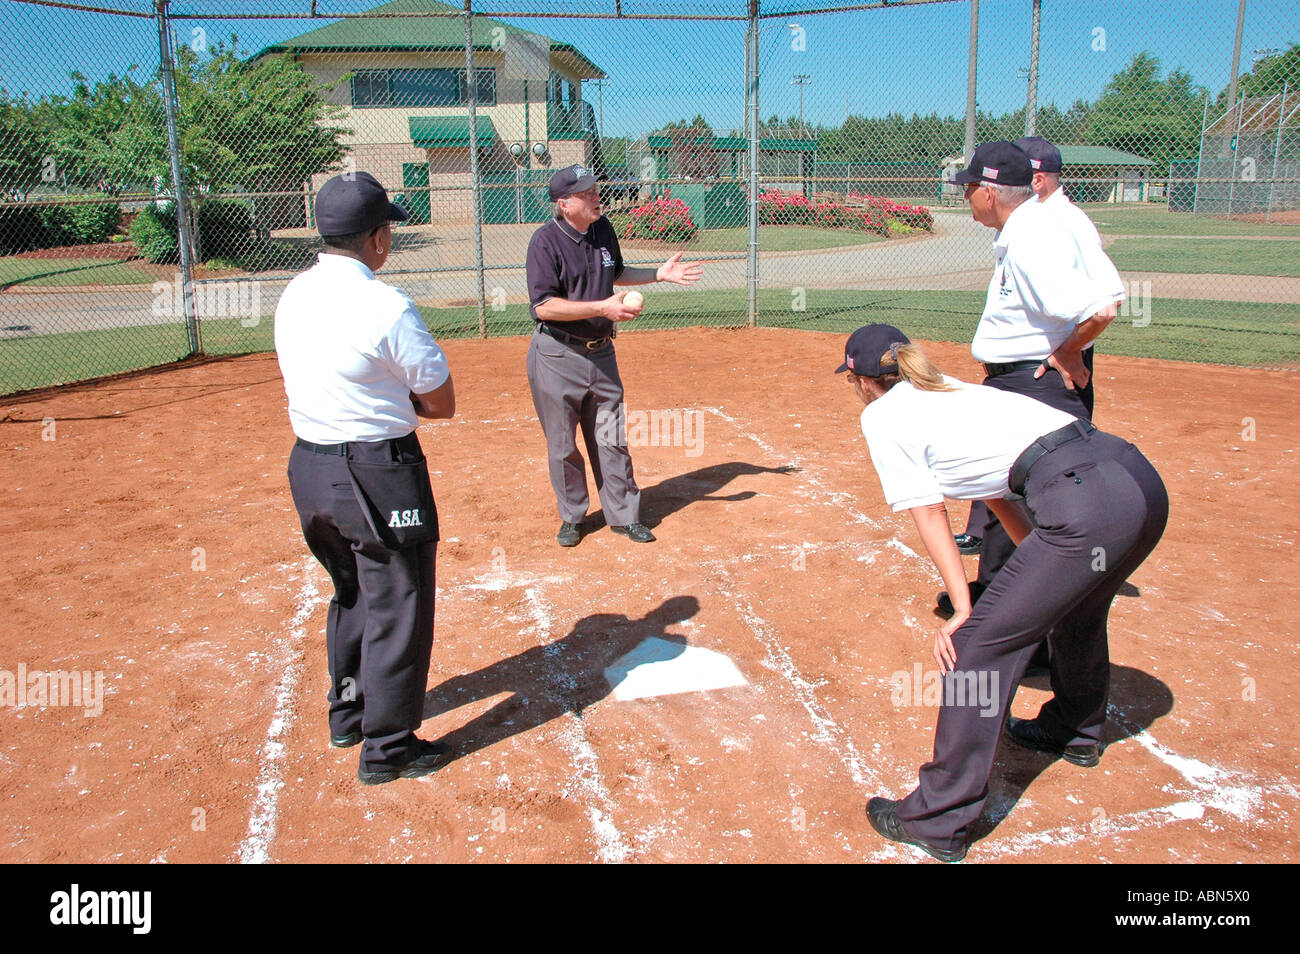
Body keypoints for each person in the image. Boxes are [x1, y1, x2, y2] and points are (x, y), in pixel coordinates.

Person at [837, 324, 1168, 862]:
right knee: (1074, 609)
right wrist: (1045, 566)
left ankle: (938, 819)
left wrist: (965, 609)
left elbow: (929, 510)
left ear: (858, 377)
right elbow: (999, 492)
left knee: (977, 650)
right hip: (1136, 482)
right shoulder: (956, 389)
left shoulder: (882, 414)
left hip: (1085, 503)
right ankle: (1074, 731)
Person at [276, 171, 456, 786]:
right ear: (376, 238)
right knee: (400, 603)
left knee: (350, 590)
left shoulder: (294, 291)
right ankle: (389, 749)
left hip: (310, 467)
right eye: (388, 229)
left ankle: (347, 714)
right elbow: (440, 402)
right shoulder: (385, 303)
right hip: (379, 471)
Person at [941, 141, 1127, 628]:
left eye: (970, 190)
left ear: (991, 192)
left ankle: (1032, 627)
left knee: (1035, 506)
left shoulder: (1032, 237)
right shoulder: (1032, 226)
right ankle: (998, 598)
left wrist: (1069, 350)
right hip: (1020, 383)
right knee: (1009, 494)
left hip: (1033, 384)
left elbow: (1102, 306)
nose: (967, 199)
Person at [525, 163, 704, 547]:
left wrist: (659, 274)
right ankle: (573, 516)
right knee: (562, 444)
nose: (595, 196)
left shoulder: (603, 229)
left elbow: (616, 270)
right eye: (586, 192)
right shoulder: (545, 242)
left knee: (611, 437)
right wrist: (601, 308)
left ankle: (623, 515)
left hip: (601, 353)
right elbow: (544, 306)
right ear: (563, 204)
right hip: (557, 355)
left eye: (595, 188)